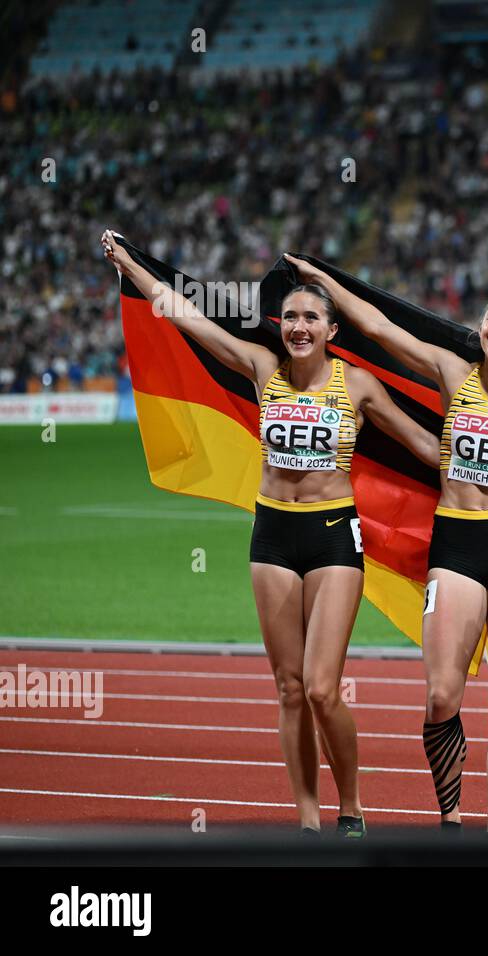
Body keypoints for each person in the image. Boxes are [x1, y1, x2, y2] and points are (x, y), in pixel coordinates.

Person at [103, 231, 442, 837]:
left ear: (332, 330)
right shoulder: (263, 368)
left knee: (320, 688)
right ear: (278, 324)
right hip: (273, 536)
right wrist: (133, 267)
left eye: (313, 317)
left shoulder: (358, 386)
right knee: (288, 688)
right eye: (291, 317)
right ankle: (309, 820)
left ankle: (354, 806)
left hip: (336, 536)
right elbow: (189, 320)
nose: (300, 326)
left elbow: (422, 446)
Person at [284, 255, 488, 833]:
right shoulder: (453, 371)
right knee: (443, 694)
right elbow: (378, 328)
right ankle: (451, 819)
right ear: (480, 326)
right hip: (457, 544)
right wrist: (324, 281)